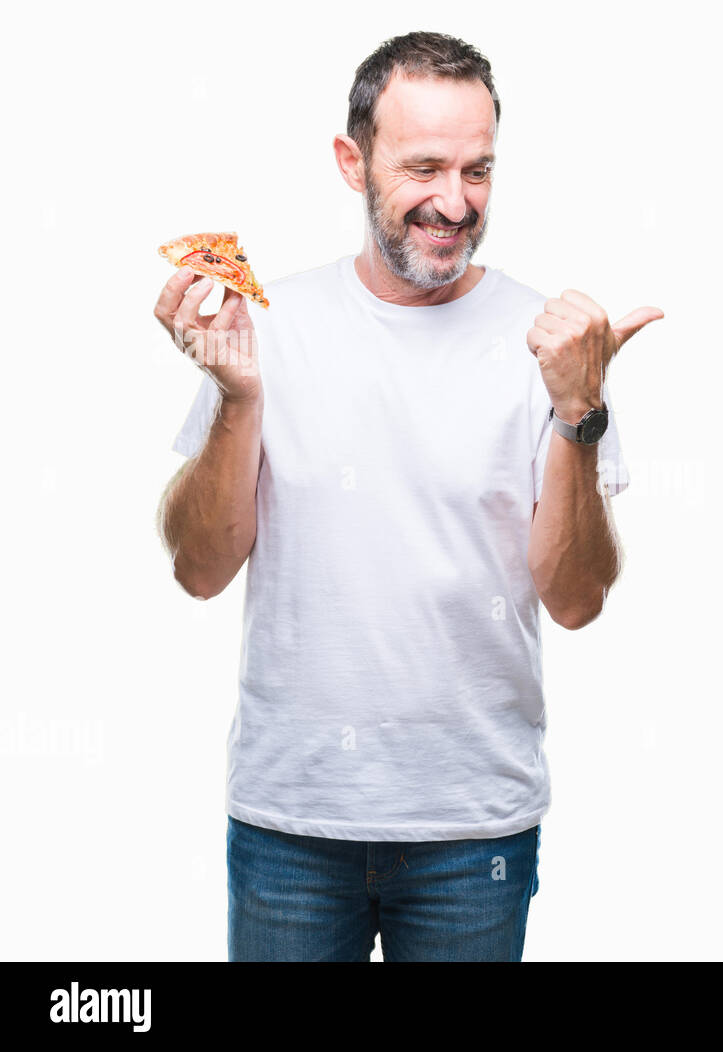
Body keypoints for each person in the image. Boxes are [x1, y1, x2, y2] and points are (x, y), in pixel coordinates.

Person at [152, 30, 662, 962]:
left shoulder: (548, 347)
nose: (454, 202)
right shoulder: (273, 326)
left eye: (478, 170)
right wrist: (238, 401)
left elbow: (578, 599)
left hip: (473, 833)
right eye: (424, 166)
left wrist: (580, 413)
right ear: (353, 162)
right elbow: (198, 569)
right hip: (291, 824)